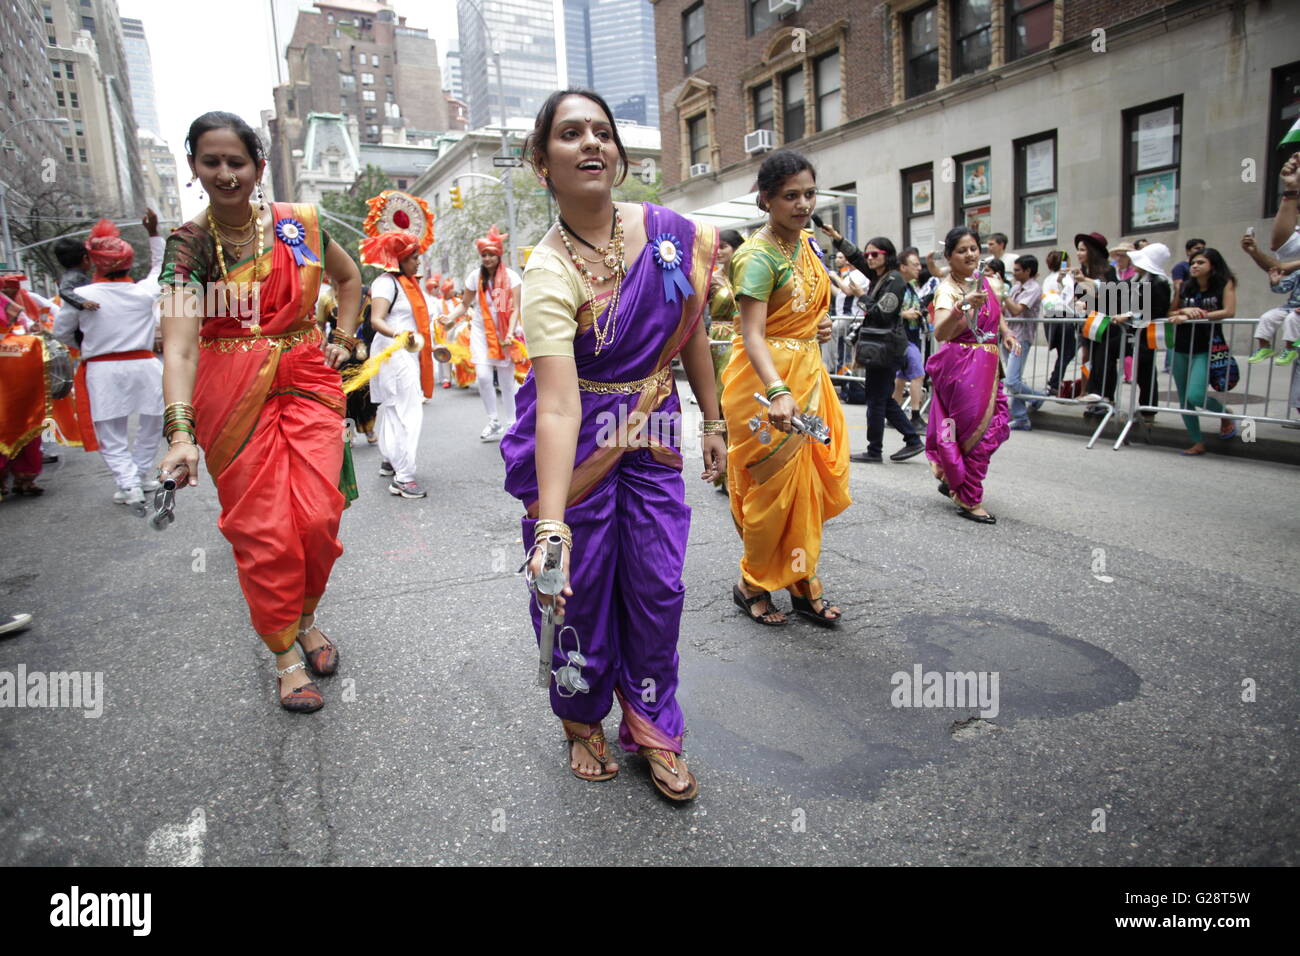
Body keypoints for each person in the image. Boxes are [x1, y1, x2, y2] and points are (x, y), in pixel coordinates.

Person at [501, 90, 725, 800]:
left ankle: (653, 722)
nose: (590, 144)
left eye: (601, 131)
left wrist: (713, 422)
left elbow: (689, 334)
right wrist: (552, 524)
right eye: (570, 134)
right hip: (581, 438)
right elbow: (560, 403)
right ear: (543, 163)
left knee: (658, 587)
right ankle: (580, 719)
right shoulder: (545, 271)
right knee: (578, 588)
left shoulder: (670, 232)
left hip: (655, 430)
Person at [155, 110, 363, 713]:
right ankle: (284, 653)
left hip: (308, 382)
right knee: (265, 528)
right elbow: (180, 342)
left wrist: (344, 340)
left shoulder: (300, 226)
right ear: (194, 166)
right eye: (211, 162)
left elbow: (350, 281)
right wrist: (179, 432)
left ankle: (304, 615)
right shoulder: (187, 245)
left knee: (319, 516)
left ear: (259, 167)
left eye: (236, 162)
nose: (225, 173)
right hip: (231, 397)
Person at [723, 148, 848, 627]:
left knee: (806, 489)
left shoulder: (807, 245)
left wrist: (818, 327)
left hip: (809, 377)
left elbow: (800, 312)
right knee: (769, 491)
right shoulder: (756, 257)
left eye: (809, 193)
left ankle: (801, 579)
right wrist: (777, 390)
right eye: (790, 196)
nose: (803, 204)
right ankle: (751, 583)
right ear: (765, 201)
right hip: (764, 385)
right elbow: (752, 333)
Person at [54, 212, 165, 507]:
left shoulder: (80, 294)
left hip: (102, 369)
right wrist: (153, 233)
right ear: (128, 262)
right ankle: (139, 476)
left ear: (91, 262)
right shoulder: (143, 292)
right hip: (145, 367)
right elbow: (160, 267)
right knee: (152, 425)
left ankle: (130, 484)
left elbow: (61, 332)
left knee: (111, 431)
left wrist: (88, 344)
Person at [926, 227, 1016, 524]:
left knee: (996, 425)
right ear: (949, 256)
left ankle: (955, 479)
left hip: (988, 366)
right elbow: (940, 332)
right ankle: (968, 496)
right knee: (975, 435)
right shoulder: (947, 289)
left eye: (974, 249)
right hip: (963, 366)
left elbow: (997, 312)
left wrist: (1006, 333)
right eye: (962, 250)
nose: (970, 255)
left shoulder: (987, 282)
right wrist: (961, 307)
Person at [361, 230, 431, 499]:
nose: (418, 262)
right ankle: (404, 477)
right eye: (414, 257)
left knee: (394, 409)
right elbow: (376, 320)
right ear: (400, 260)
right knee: (407, 412)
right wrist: (399, 336)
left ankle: (391, 459)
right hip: (395, 351)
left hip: (403, 351)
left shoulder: (406, 283)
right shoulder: (386, 283)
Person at [850, 237, 924, 463]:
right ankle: (912, 440)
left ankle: (875, 450)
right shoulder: (881, 276)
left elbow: (882, 314)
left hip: (886, 349)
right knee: (881, 397)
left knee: (876, 399)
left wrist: (860, 296)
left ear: (887, 254)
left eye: (875, 254)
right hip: (881, 347)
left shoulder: (894, 280)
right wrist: (834, 236)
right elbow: (854, 257)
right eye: (867, 255)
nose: (869, 259)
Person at [447, 225, 522, 441]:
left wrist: (509, 334)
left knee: (507, 383)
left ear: (499, 255)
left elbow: (516, 307)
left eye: (491, 254)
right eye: (484, 255)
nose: (487, 258)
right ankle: (493, 420)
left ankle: (511, 422)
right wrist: (449, 318)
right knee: (483, 377)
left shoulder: (511, 277)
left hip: (504, 332)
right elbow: (464, 305)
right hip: (481, 331)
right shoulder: (475, 277)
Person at [1168, 247, 1237, 455]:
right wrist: (1183, 310)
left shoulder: (1225, 283)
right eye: (1192, 263)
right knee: (1184, 399)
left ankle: (1225, 414)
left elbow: (1229, 311)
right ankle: (1197, 442)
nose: (1194, 266)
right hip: (1181, 346)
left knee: (1196, 395)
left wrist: (1196, 316)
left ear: (1212, 266)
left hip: (1206, 346)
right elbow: (1170, 311)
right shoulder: (1186, 286)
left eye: (1200, 263)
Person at [0, 285, 48, 497]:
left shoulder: (10, 306)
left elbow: (25, 326)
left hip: (17, 378)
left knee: (26, 423)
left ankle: (24, 478)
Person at [707, 229, 743, 492]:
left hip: (746, 341)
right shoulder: (711, 278)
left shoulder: (749, 275)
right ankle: (723, 472)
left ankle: (742, 468)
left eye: (726, 246)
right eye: (717, 246)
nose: (719, 250)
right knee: (721, 403)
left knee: (742, 404)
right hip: (719, 343)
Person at [1072, 231, 1120, 416]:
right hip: (1090, 324)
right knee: (1090, 361)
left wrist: (1088, 289)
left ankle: (1106, 399)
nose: (1079, 253)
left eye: (1083, 249)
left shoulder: (1108, 271)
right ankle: (1093, 396)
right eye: (1078, 249)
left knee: (1104, 362)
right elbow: (1081, 297)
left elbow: (1114, 295)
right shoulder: (1082, 273)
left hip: (1108, 326)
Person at [1240, 230, 1300, 366]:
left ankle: (1291, 348)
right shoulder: (1298, 272)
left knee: (1292, 319)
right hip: (1291, 308)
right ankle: (1264, 347)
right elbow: (1281, 288)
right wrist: (1275, 282)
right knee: (1267, 317)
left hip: (1296, 315)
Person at [1001, 254, 1047, 431]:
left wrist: (1003, 294)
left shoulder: (1034, 288)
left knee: (1012, 381)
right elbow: (1004, 309)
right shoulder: (1016, 287)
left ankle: (1038, 398)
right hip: (1009, 337)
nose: (1014, 274)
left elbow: (1016, 310)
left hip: (1021, 338)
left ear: (1028, 271)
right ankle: (1021, 418)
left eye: (1018, 270)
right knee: (1015, 378)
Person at [894, 248, 928, 428]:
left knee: (901, 379)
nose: (919, 268)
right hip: (902, 339)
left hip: (911, 337)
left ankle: (894, 414)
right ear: (903, 267)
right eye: (915, 265)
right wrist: (904, 314)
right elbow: (881, 311)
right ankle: (915, 416)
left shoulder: (910, 286)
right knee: (918, 375)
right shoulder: (896, 286)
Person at [1040, 249, 1077, 395]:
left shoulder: (1047, 278)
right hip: (1062, 317)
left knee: (1064, 352)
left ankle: (1055, 382)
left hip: (1050, 318)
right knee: (1068, 351)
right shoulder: (1065, 278)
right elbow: (1068, 297)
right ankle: (1054, 382)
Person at [52, 237, 101, 315]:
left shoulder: (76, 274)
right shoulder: (73, 276)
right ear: (85, 259)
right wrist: (83, 302)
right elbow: (64, 291)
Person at [1170, 237, 1206, 306]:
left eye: (1203, 248)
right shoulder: (1181, 267)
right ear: (1188, 251)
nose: (1201, 251)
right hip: (1186, 303)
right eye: (1197, 248)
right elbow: (1178, 288)